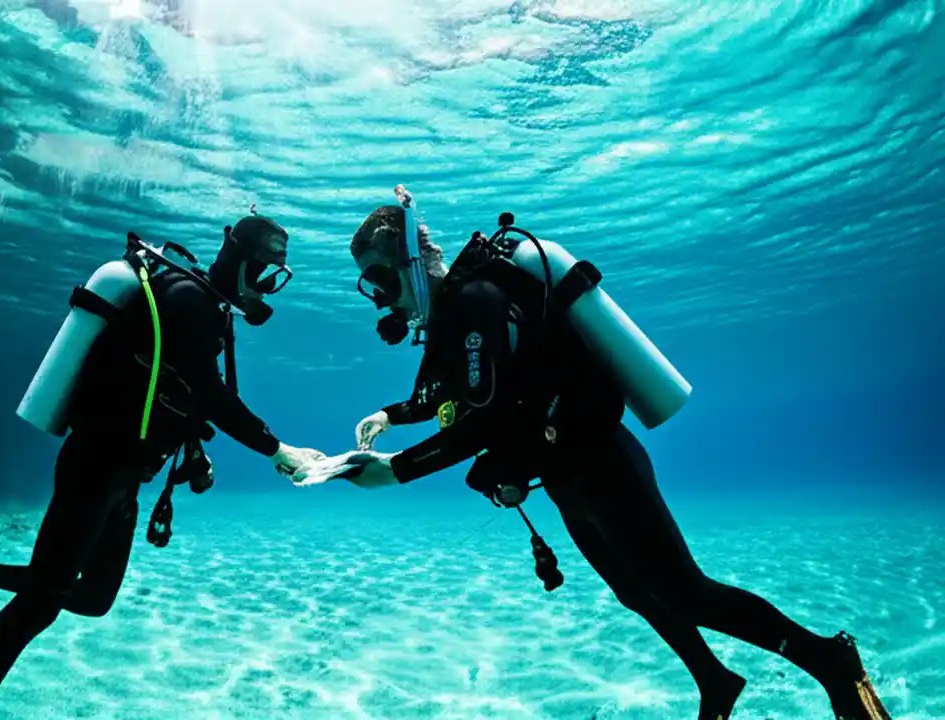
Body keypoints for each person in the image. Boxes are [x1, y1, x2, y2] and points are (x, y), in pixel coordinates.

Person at [293, 187, 892, 720]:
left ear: (410, 266)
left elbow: (488, 418)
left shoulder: (475, 300)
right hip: (563, 474)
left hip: (601, 461)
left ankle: (828, 660)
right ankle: (715, 680)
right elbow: (447, 394)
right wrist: (390, 415)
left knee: (685, 590)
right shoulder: (455, 314)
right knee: (634, 591)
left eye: (380, 281)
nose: (378, 299)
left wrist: (396, 471)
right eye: (368, 287)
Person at [0, 213, 325, 720]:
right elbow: (210, 393)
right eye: (264, 271)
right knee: (39, 605)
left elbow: (184, 397)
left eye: (276, 278)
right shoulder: (188, 303)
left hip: (128, 473)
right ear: (238, 260)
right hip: (97, 464)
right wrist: (276, 449)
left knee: (91, 597)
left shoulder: (208, 310)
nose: (267, 287)